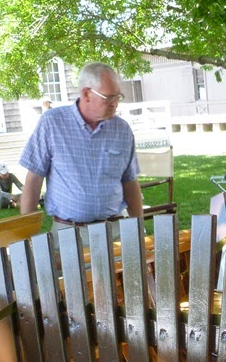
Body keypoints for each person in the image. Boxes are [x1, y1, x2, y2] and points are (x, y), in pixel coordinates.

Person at [19, 62, 143, 238]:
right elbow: (33, 181)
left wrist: (138, 229)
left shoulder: (122, 130)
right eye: (108, 97)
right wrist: (26, 236)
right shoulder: (52, 123)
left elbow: (130, 183)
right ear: (86, 93)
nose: (115, 104)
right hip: (68, 233)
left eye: (118, 97)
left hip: (115, 232)